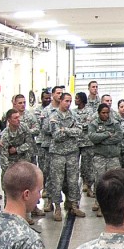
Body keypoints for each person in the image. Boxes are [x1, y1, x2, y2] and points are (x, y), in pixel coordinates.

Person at [46, 93, 86, 221]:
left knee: (73, 180)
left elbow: (79, 131)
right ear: (61, 101)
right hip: (57, 153)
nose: (68, 103)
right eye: (66, 101)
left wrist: (65, 130)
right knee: (57, 181)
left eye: (70, 101)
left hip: (72, 153)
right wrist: (69, 131)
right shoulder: (53, 116)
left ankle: (74, 205)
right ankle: (57, 207)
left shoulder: (74, 115)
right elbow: (56, 135)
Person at [86, 103, 122, 216]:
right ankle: (100, 204)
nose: (106, 115)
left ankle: (113, 204)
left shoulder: (115, 123)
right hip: (100, 157)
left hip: (113, 157)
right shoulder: (94, 124)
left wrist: (102, 139)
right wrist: (107, 134)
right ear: (99, 113)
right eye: (103, 113)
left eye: (107, 113)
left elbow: (118, 137)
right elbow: (92, 137)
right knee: (100, 181)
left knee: (114, 181)